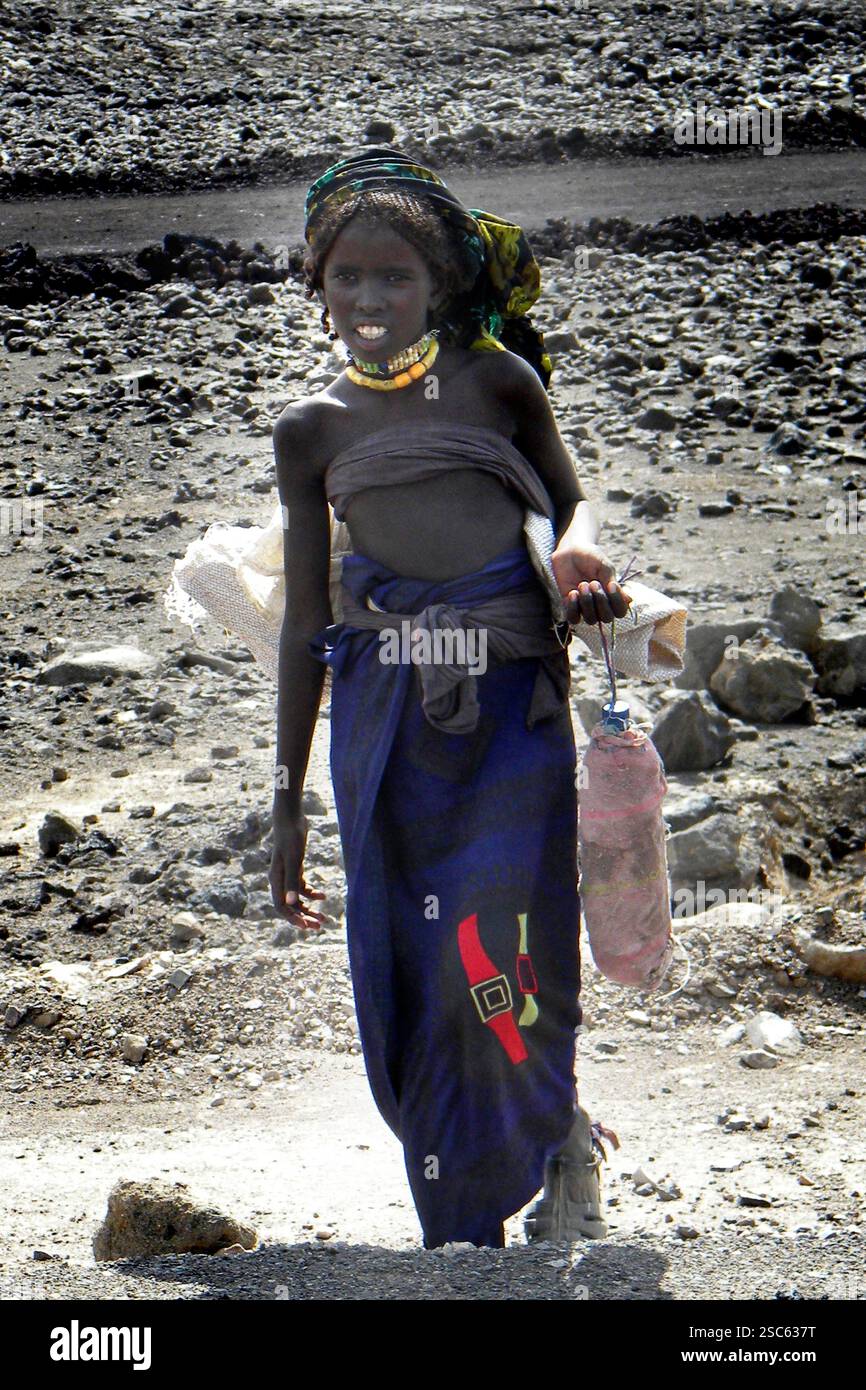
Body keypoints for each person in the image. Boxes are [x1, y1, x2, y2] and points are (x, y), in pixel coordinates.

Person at [268, 146, 629, 1250]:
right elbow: (302, 618)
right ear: (315, 287)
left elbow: (573, 503)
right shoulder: (309, 429)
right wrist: (285, 805)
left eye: (395, 279)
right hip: (383, 720)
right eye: (347, 278)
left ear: (440, 287)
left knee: (505, 935)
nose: (369, 300)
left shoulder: (495, 382)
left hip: (510, 700)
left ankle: (553, 1140)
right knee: (414, 965)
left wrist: (577, 558)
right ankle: (465, 1202)